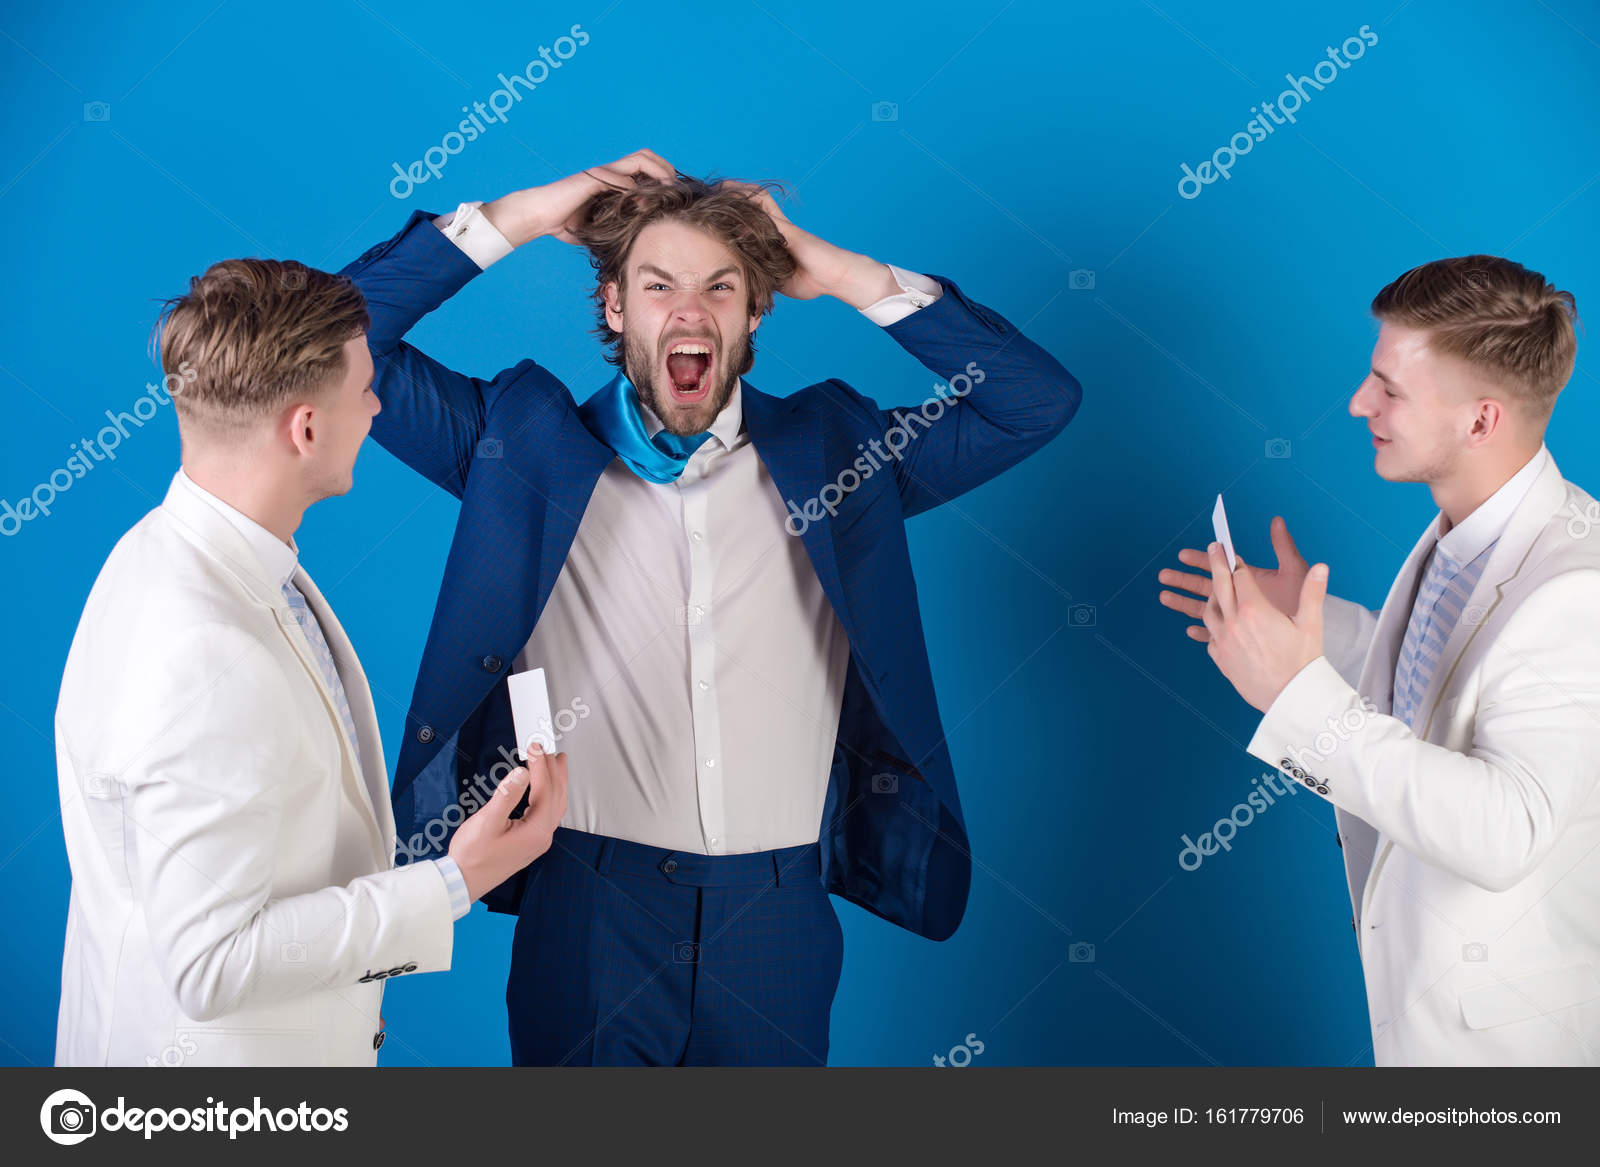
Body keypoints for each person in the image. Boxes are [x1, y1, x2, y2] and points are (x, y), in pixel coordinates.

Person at [340, 149, 1083, 1065]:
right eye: (658, 286)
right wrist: (528, 214)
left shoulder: (838, 457)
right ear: (615, 308)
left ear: (755, 310)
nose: (689, 311)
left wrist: (834, 270)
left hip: (775, 918)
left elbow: (1032, 402)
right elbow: (334, 340)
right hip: (590, 912)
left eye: (721, 288)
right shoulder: (520, 446)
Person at [54, 259, 567, 1066]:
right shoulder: (199, 642)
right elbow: (212, 962)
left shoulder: (189, 556)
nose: (375, 405)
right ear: (305, 428)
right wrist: (454, 883)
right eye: (366, 388)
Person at [1156, 255, 1600, 1064]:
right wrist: (1329, 632)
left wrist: (1297, 692)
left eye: (1389, 389)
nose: (1361, 403)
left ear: (1481, 421)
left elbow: (1508, 829)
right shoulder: (1469, 531)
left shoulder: (1577, 591)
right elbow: (1461, 681)